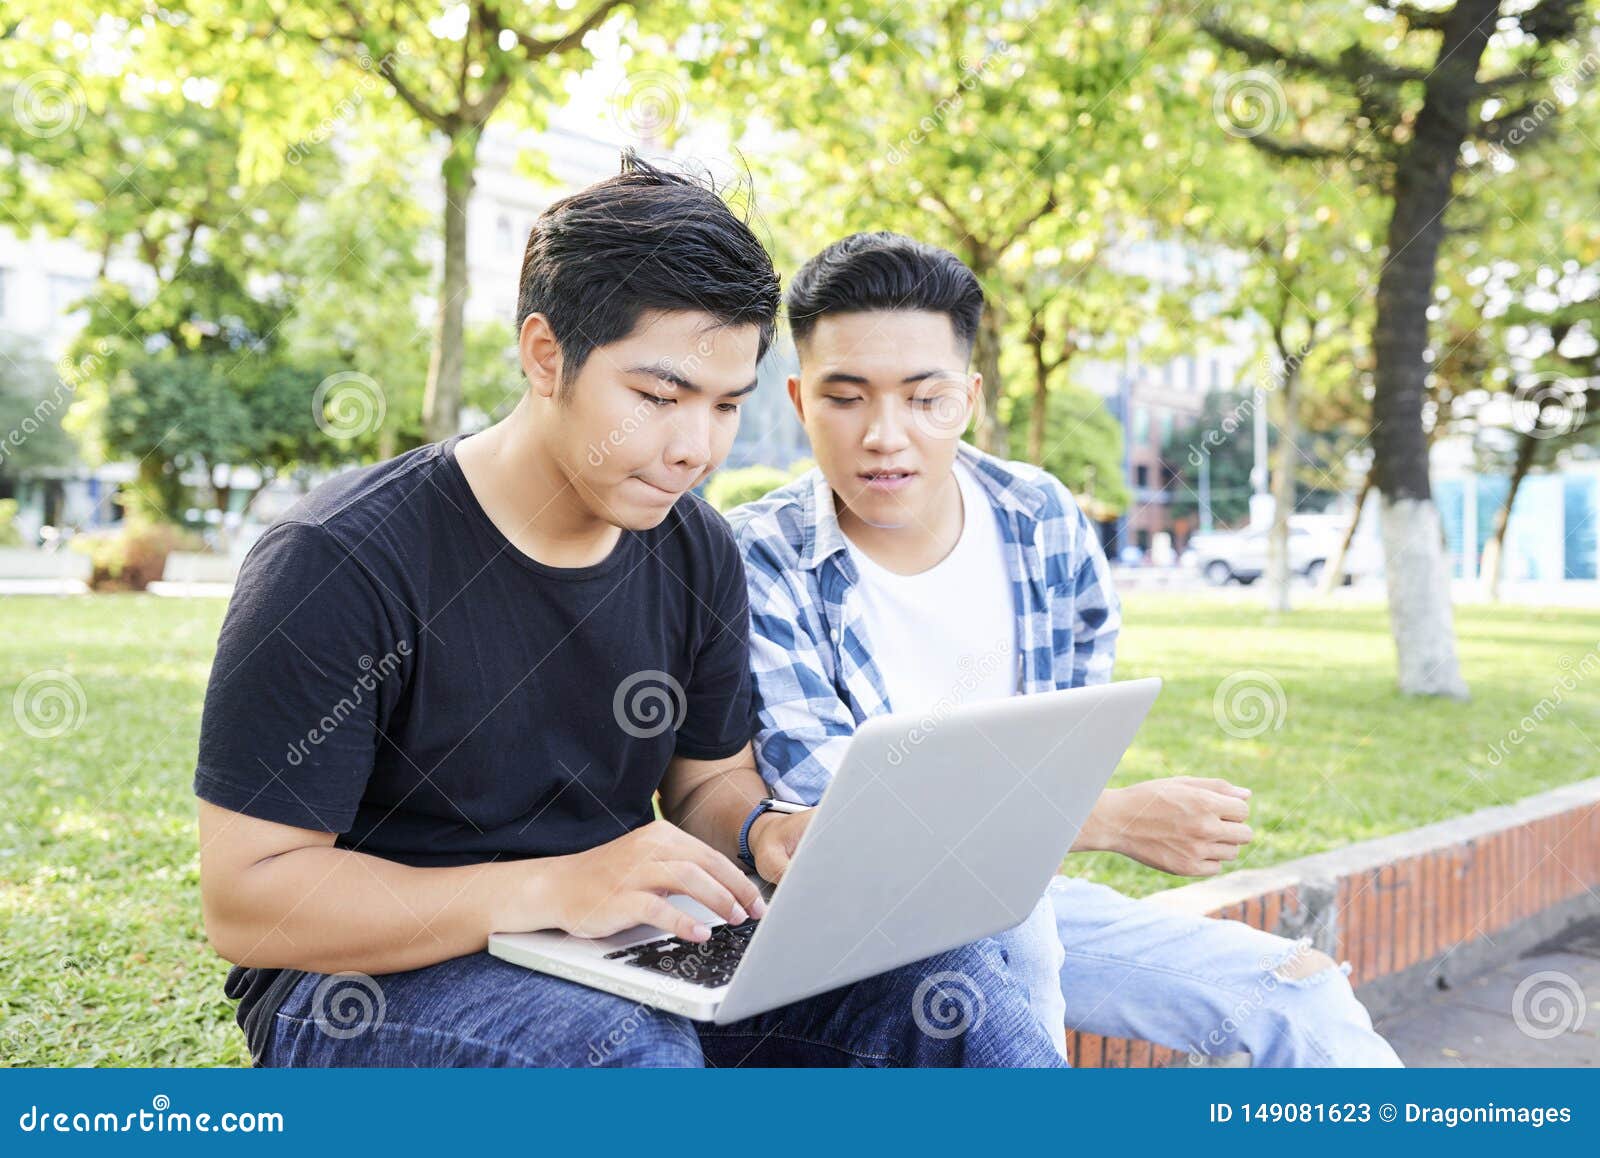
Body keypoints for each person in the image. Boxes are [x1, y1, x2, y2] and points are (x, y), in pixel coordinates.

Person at [193, 163, 1064, 1069]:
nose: (695, 448)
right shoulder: (339, 559)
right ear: (544, 355)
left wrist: (769, 829)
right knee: (628, 1054)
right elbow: (251, 900)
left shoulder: (696, 550)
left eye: (726, 405)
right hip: (364, 986)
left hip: (615, 938)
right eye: (657, 397)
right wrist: (555, 888)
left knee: (945, 990)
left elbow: (703, 782)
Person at [728, 231, 1403, 1067]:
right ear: (798, 401)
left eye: (923, 397)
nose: (884, 434)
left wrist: (1057, 825)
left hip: (1020, 891)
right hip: (860, 936)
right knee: (1014, 965)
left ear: (969, 397)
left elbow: (1067, 743)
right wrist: (1111, 820)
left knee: (1299, 994)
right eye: (847, 397)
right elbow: (844, 824)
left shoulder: (1038, 518)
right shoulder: (758, 555)